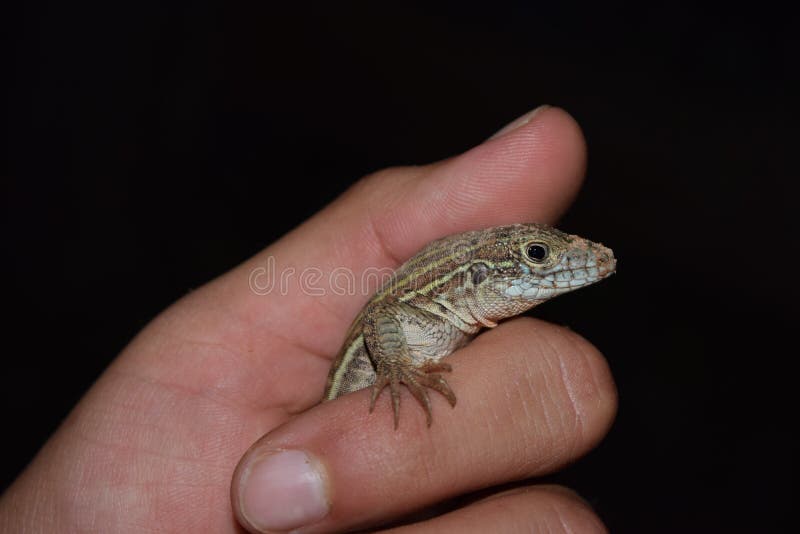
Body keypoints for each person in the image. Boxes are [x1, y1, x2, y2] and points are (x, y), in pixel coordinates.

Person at [0, 106, 616, 533]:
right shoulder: (410, 309)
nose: (562, 263)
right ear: (476, 276)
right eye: (537, 257)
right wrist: (399, 366)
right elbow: (385, 320)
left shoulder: (449, 307)